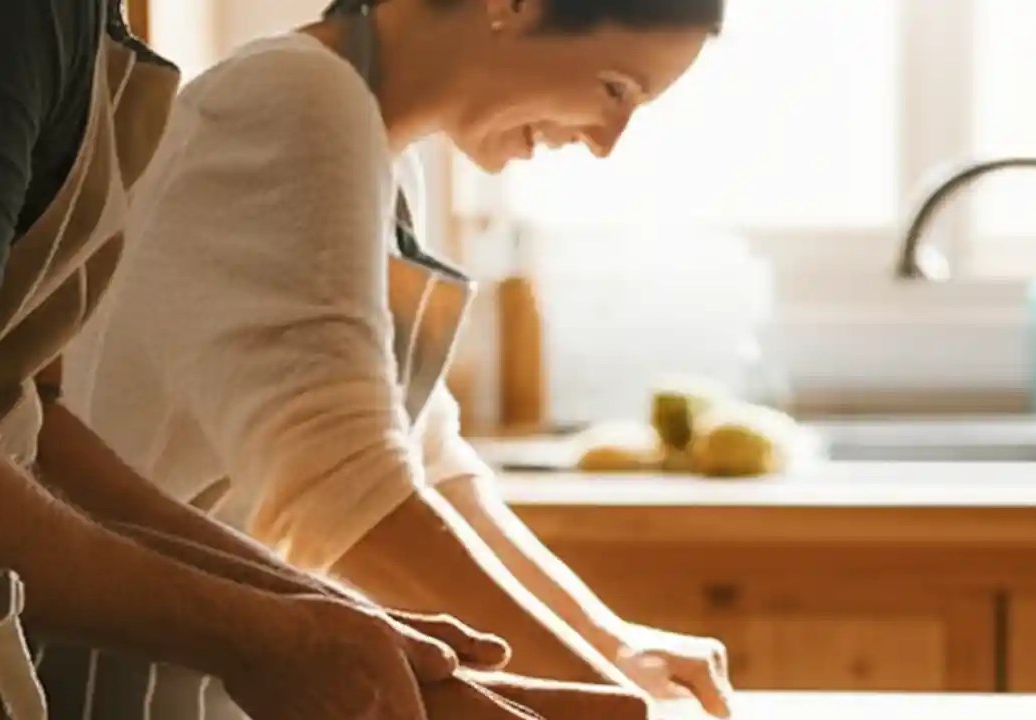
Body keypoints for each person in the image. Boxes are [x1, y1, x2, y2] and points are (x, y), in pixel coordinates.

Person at [0, 1, 541, 718]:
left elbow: (33, 427)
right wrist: (259, 635)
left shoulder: (81, 28)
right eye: (617, 90)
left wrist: (328, 618)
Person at [66, 0, 732, 716]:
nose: (608, 142)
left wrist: (609, 648)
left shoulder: (372, 143)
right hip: (134, 683)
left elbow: (429, 466)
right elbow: (347, 493)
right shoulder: (295, 102)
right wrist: (609, 695)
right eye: (616, 89)